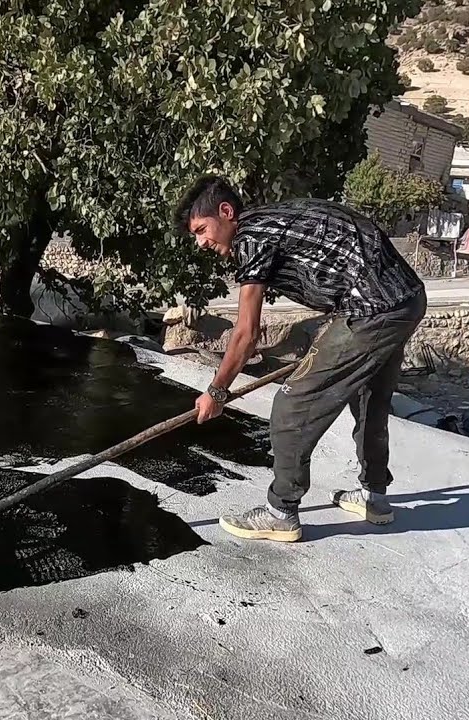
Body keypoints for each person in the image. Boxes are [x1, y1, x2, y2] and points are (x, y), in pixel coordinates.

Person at [174, 176, 427, 542]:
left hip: (370, 308)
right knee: (369, 396)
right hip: (405, 299)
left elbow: (246, 334)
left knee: (292, 405)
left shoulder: (251, 237)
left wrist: (217, 391)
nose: (201, 243)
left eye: (201, 230)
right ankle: (374, 497)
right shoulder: (271, 220)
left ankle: (281, 511)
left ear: (226, 212)